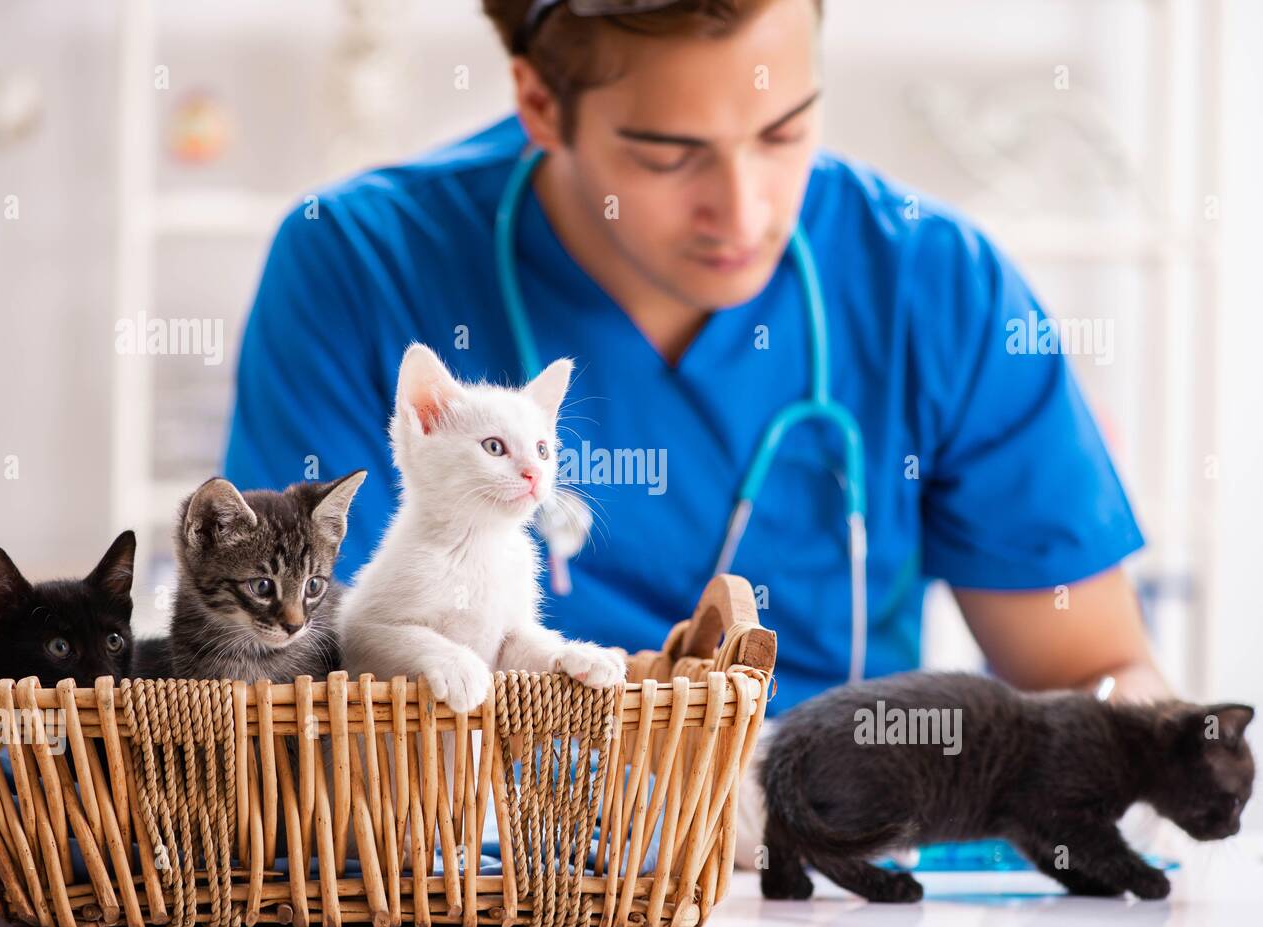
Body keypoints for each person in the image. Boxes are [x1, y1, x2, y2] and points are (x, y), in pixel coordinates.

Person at [222, 0, 1174, 869]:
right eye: (667, 153)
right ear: (540, 104)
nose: (746, 210)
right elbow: (279, 685)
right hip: (475, 877)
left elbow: (1094, 682)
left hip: (848, 876)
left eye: (786, 129)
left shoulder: (940, 288)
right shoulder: (356, 267)